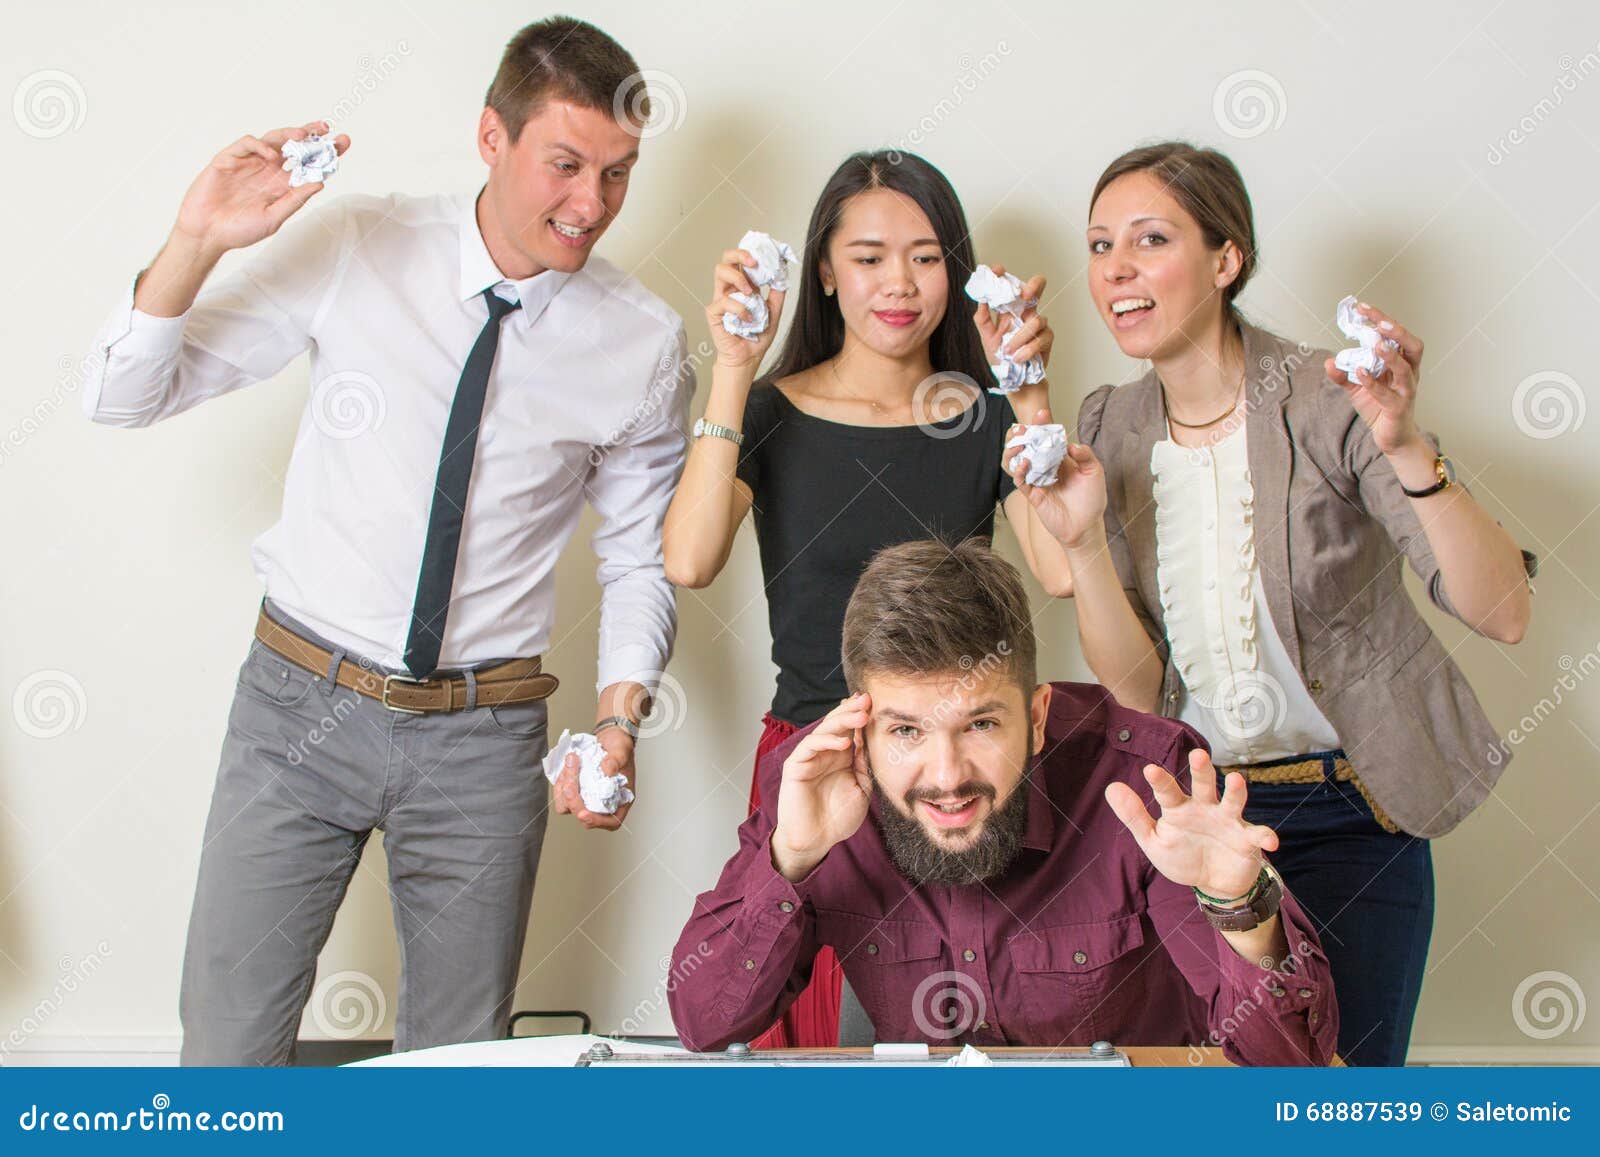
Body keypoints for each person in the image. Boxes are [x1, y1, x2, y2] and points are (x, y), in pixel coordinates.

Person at [82, 17, 691, 1063]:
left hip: (483, 734)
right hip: (296, 706)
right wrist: (194, 242)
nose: (590, 205)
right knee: (225, 1050)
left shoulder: (640, 341)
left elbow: (637, 557)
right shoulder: (359, 242)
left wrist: (620, 717)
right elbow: (121, 397)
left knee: (456, 1077)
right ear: (491, 139)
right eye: (565, 164)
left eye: (619, 174)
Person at [1004, 141, 1537, 1065]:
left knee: (1340, 1101)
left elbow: (1504, 611)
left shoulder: (1332, 400)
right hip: (1200, 820)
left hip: (1349, 819)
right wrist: (1085, 542)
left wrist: (1407, 444)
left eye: (1150, 239)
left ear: (1226, 259)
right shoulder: (1105, 425)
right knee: (1216, 1098)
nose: (1116, 269)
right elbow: (1138, 694)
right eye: (1099, 245)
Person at [662, 150, 1072, 1046]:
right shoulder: (771, 411)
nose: (900, 282)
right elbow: (689, 558)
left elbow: (1062, 570)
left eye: (926, 257)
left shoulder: (984, 415)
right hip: (816, 756)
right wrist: (734, 365)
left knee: (948, 1041)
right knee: (795, 1040)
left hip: (952, 766)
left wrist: (1031, 398)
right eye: (870, 256)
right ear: (823, 270)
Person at [668, 539, 1338, 1066]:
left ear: (1039, 715)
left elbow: (1292, 1063)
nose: (947, 774)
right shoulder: (813, 783)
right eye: (906, 730)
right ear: (861, 725)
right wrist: (789, 858)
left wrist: (1240, 905)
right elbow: (705, 1021)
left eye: (981, 725)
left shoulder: (1145, 780)